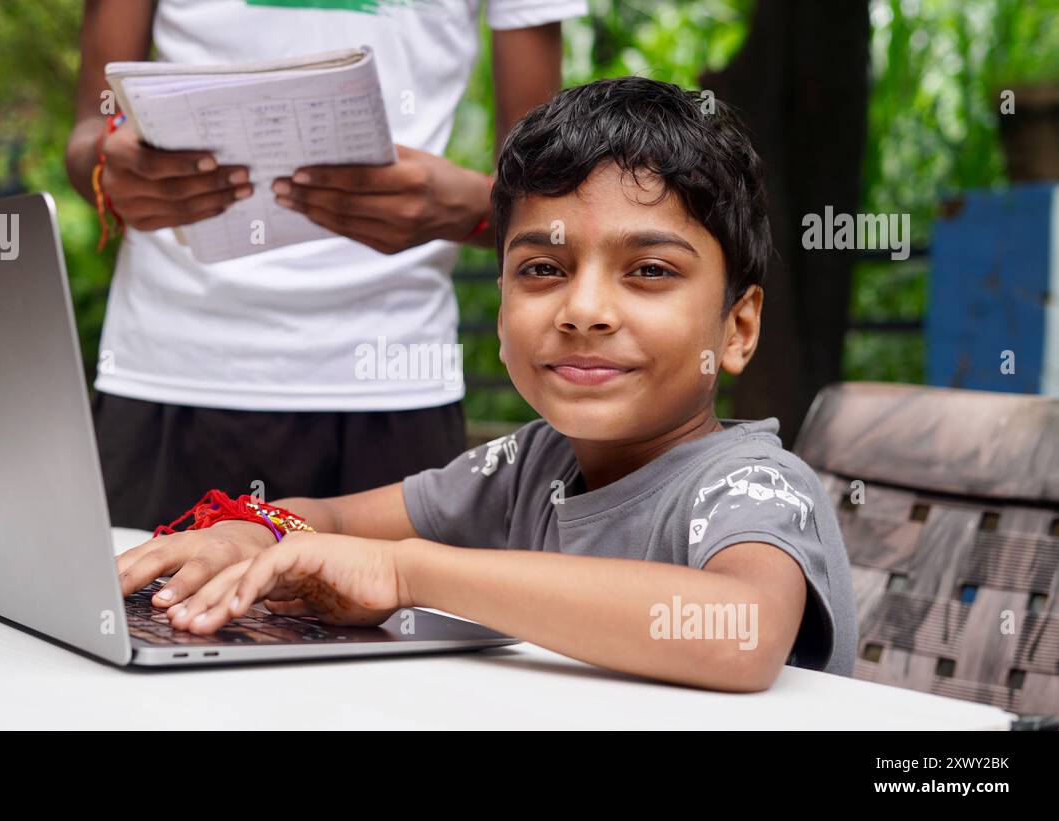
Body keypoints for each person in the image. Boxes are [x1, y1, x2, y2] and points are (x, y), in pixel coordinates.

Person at [112, 76, 860, 691]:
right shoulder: (529, 465)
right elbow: (334, 524)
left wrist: (408, 571)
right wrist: (254, 533)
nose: (585, 310)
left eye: (650, 271)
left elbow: (741, 629)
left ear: (738, 329)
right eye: (542, 269)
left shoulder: (751, 486)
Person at [66, 0, 588, 529]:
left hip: (394, 378)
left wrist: (472, 210)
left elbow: (537, 194)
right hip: (167, 368)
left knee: (400, 612)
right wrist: (109, 171)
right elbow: (92, 127)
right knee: (144, 606)